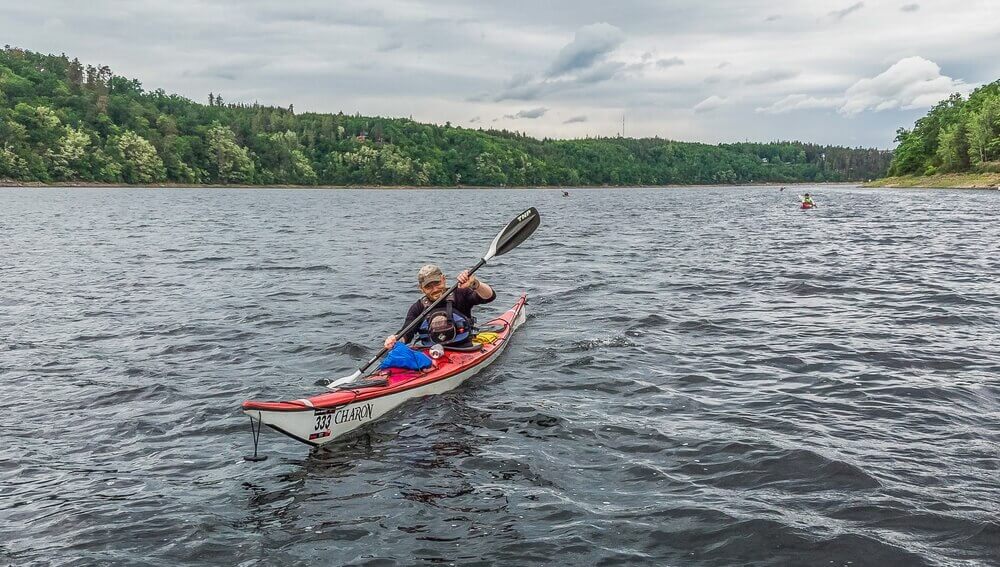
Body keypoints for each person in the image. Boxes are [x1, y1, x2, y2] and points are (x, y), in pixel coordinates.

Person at [384, 264, 496, 350]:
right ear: (421, 288)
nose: (435, 289)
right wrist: (396, 339)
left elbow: (489, 296)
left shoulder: (460, 294)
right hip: (433, 354)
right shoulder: (417, 308)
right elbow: (407, 333)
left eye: (437, 283)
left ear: (443, 279)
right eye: (428, 287)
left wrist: (475, 284)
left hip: (464, 350)